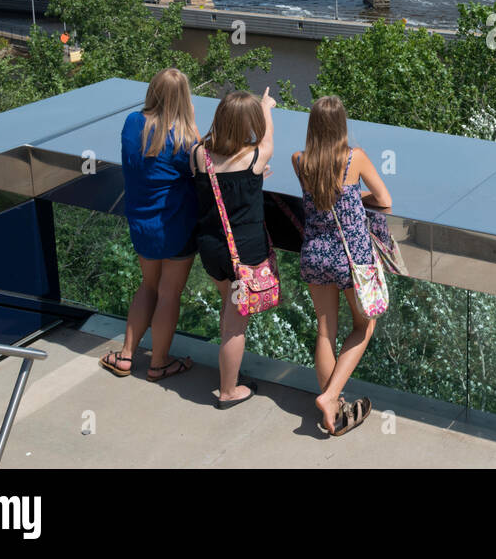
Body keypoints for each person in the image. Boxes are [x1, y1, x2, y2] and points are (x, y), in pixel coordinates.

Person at [293, 96, 391, 436]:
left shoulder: (300, 160)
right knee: (364, 326)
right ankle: (331, 396)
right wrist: (354, 197)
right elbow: (385, 200)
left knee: (325, 332)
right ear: (341, 126)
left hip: (315, 253)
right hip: (351, 258)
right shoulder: (355, 157)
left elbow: (319, 195)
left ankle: (331, 413)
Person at [100, 68, 200, 381]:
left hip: (142, 223)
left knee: (148, 286)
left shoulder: (132, 124)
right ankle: (158, 363)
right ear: (185, 98)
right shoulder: (185, 138)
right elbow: (201, 168)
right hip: (177, 227)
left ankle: (127, 356)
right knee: (170, 294)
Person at [192, 88, 276, 409]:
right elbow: (266, 138)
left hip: (212, 248)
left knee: (229, 310)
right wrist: (266, 107)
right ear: (249, 124)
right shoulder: (256, 158)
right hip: (246, 256)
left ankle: (231, 374)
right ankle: (229, 390)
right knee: (235, 326)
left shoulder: (199, 155)